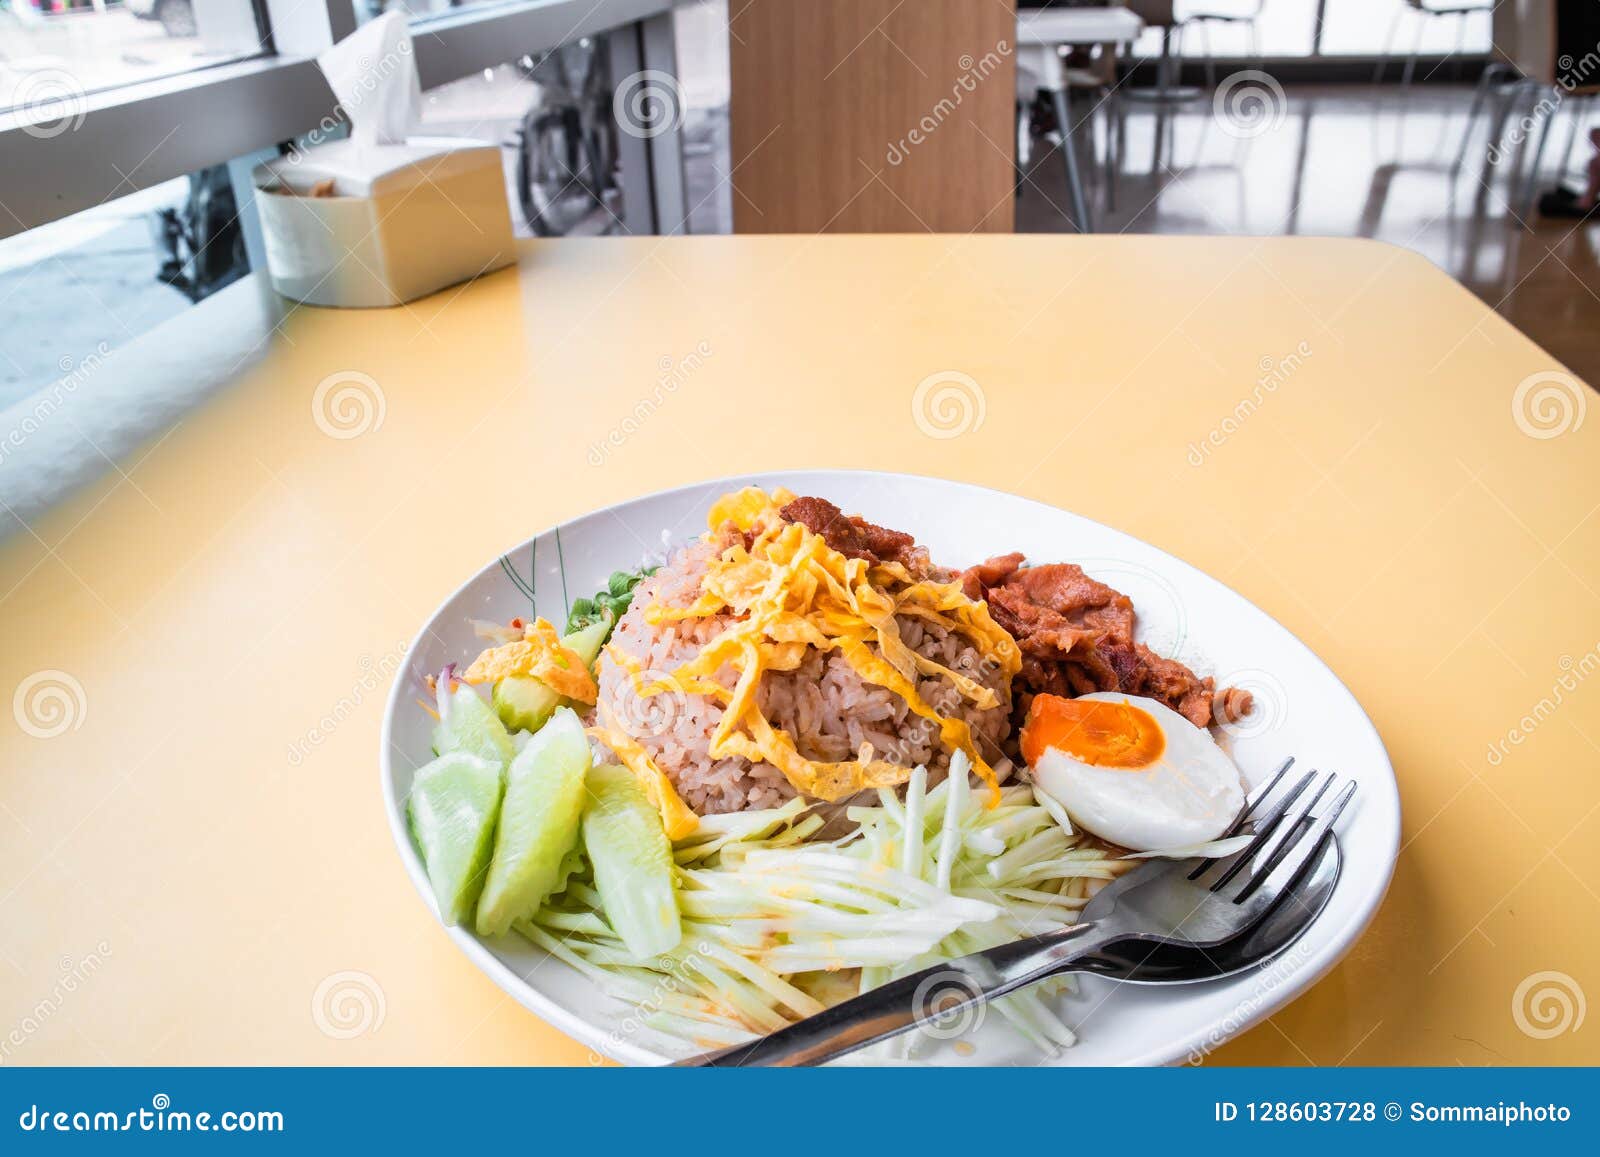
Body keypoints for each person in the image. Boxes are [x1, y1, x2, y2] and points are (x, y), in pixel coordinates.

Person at [1539, 128, 1600, 220]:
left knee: (1547, 202)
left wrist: (1585, 201)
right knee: (1559, 191)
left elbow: (1588, 199)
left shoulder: (1596, 162)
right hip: (1589, 201)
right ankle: (1582, 203)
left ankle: (1582, 205)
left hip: (1588, 205)